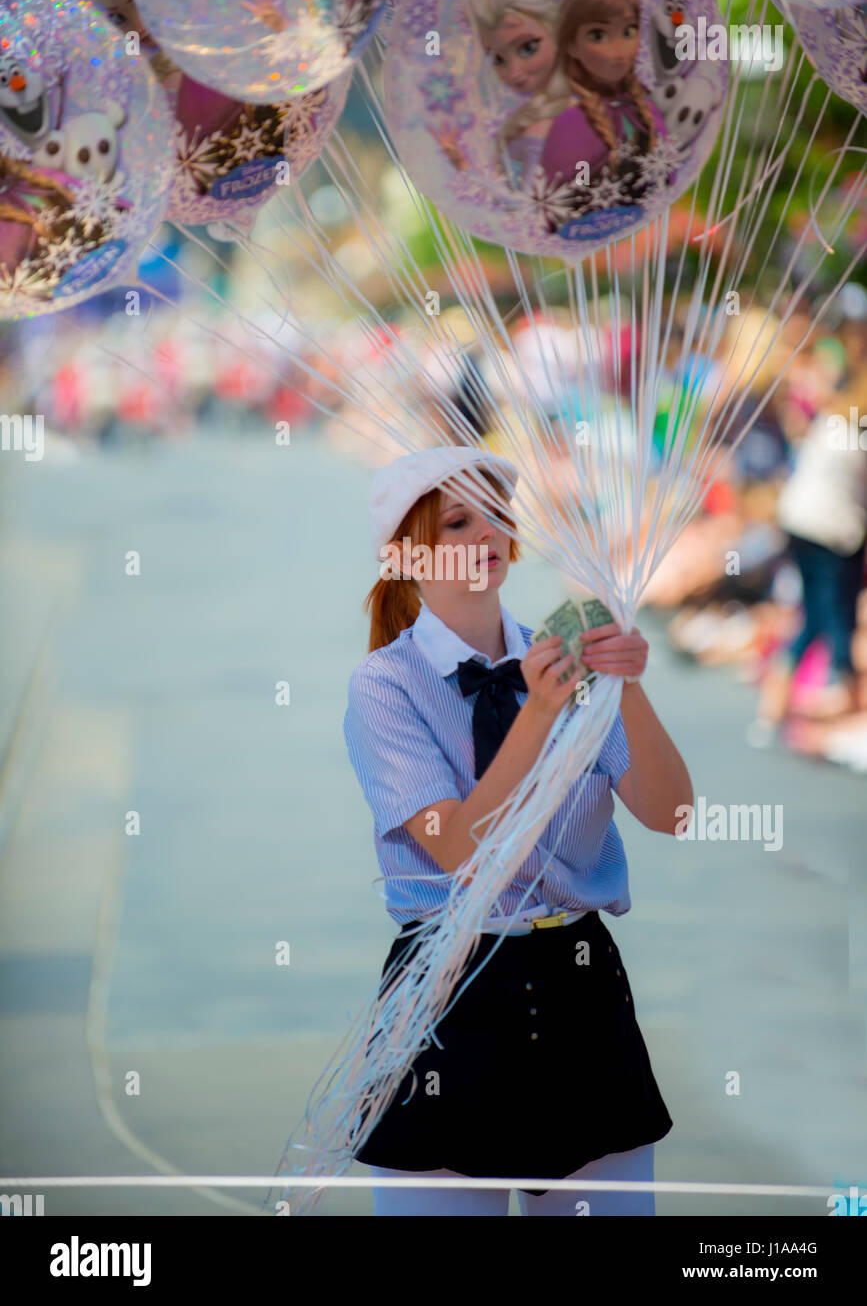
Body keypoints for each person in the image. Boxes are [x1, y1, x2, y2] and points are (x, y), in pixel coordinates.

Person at [343, 445, 693, 1216]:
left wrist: (624, 686)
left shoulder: (567, 657)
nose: (484, 535)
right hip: (446, 1000)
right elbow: (462, 851)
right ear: (404, 555)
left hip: (581, 994)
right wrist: (538, 711)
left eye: (494, 515)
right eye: (456, 521)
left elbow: (671, 814)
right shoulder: (384, 686)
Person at [748, 369, 867, 744]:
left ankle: (774, 704)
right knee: (834, 614)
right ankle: (843, 695)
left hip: (800, 522)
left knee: (815, 613)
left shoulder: (828, 424)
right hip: (833, 531)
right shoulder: (855, 438)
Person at [539, 0, 667, 220]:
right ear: (571, 45)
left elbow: (669, 184)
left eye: (628, 32)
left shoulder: (648, 111)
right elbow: (557, 209)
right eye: (598, 35)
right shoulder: (567, 124)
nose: (618, 50)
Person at [432, 0, 571, 191]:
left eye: (528, 48)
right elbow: (513, 203)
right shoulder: (524, 118)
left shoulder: (580, 112)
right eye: (498, 59)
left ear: (557, 31)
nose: (514, 73)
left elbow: (533, 207)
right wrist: (463, 165)